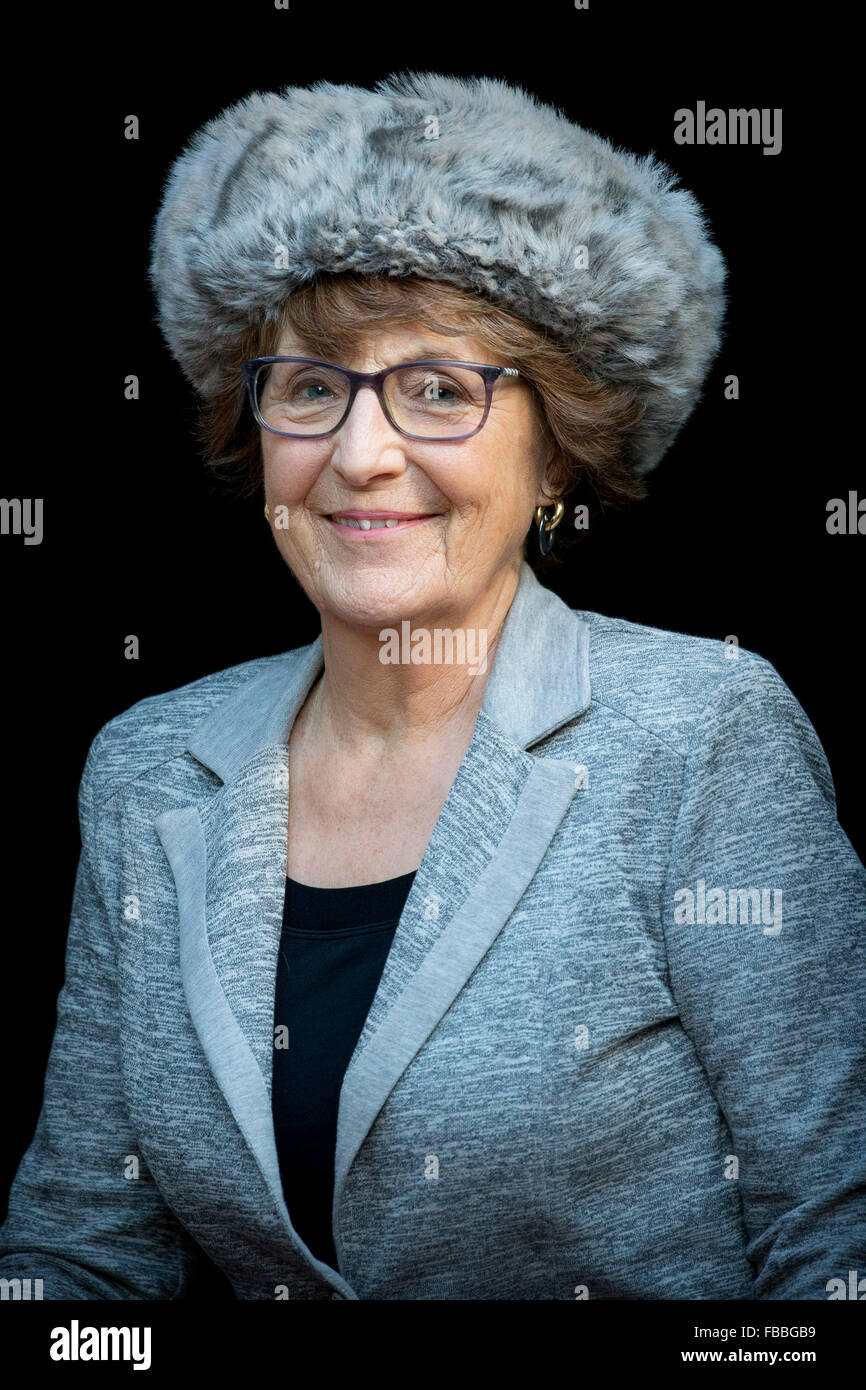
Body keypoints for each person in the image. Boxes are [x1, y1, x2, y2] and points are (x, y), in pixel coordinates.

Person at [1, 72, 863, 1301]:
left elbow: (835, 1239)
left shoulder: (702, 730)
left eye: (439, 390)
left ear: (557, 443)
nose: (359, 454)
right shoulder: (145, 764)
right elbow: (81, 1253)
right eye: (310, 388)